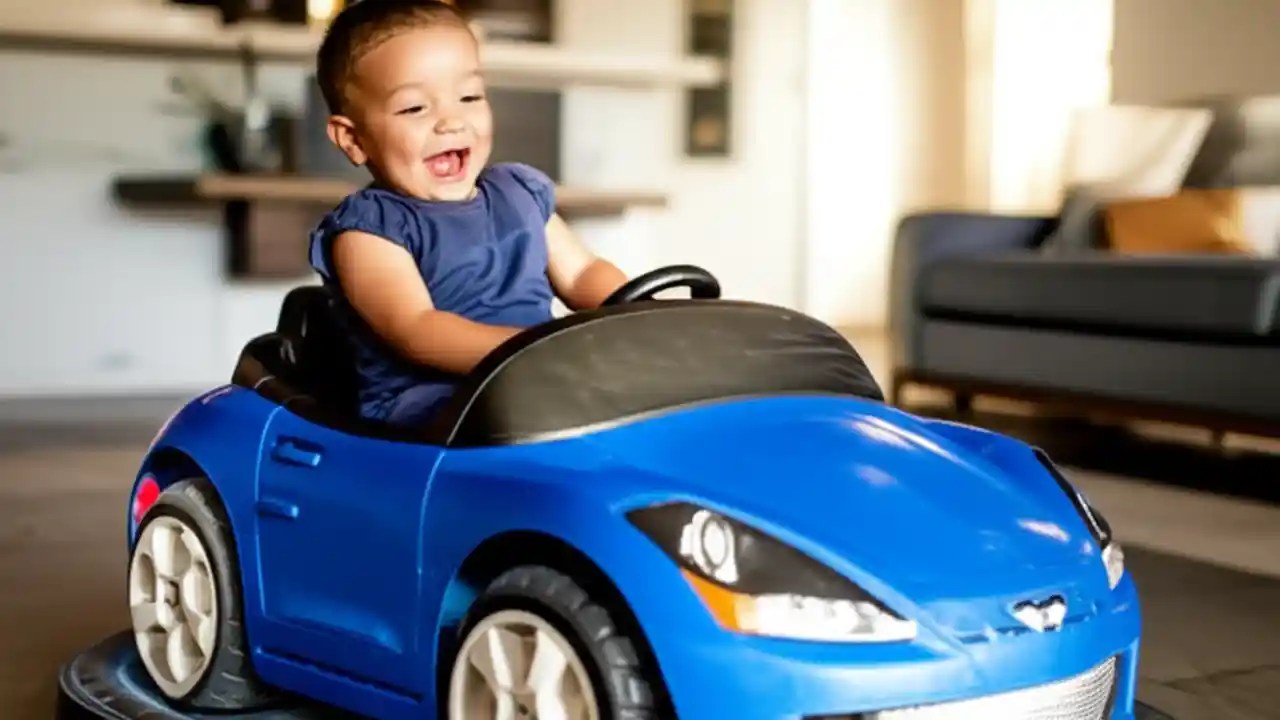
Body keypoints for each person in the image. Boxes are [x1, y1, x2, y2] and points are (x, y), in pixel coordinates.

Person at [307, 0, 628, 428]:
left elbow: (584, 274)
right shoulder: (371, 228)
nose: (451, 122)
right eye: (414, 108)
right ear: (352, 138)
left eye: (469, 97)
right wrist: (532, 352)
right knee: (540, 415)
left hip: (540, 381)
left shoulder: (519, 193)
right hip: (432, 403)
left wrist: (644, 313)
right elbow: (417, 329)